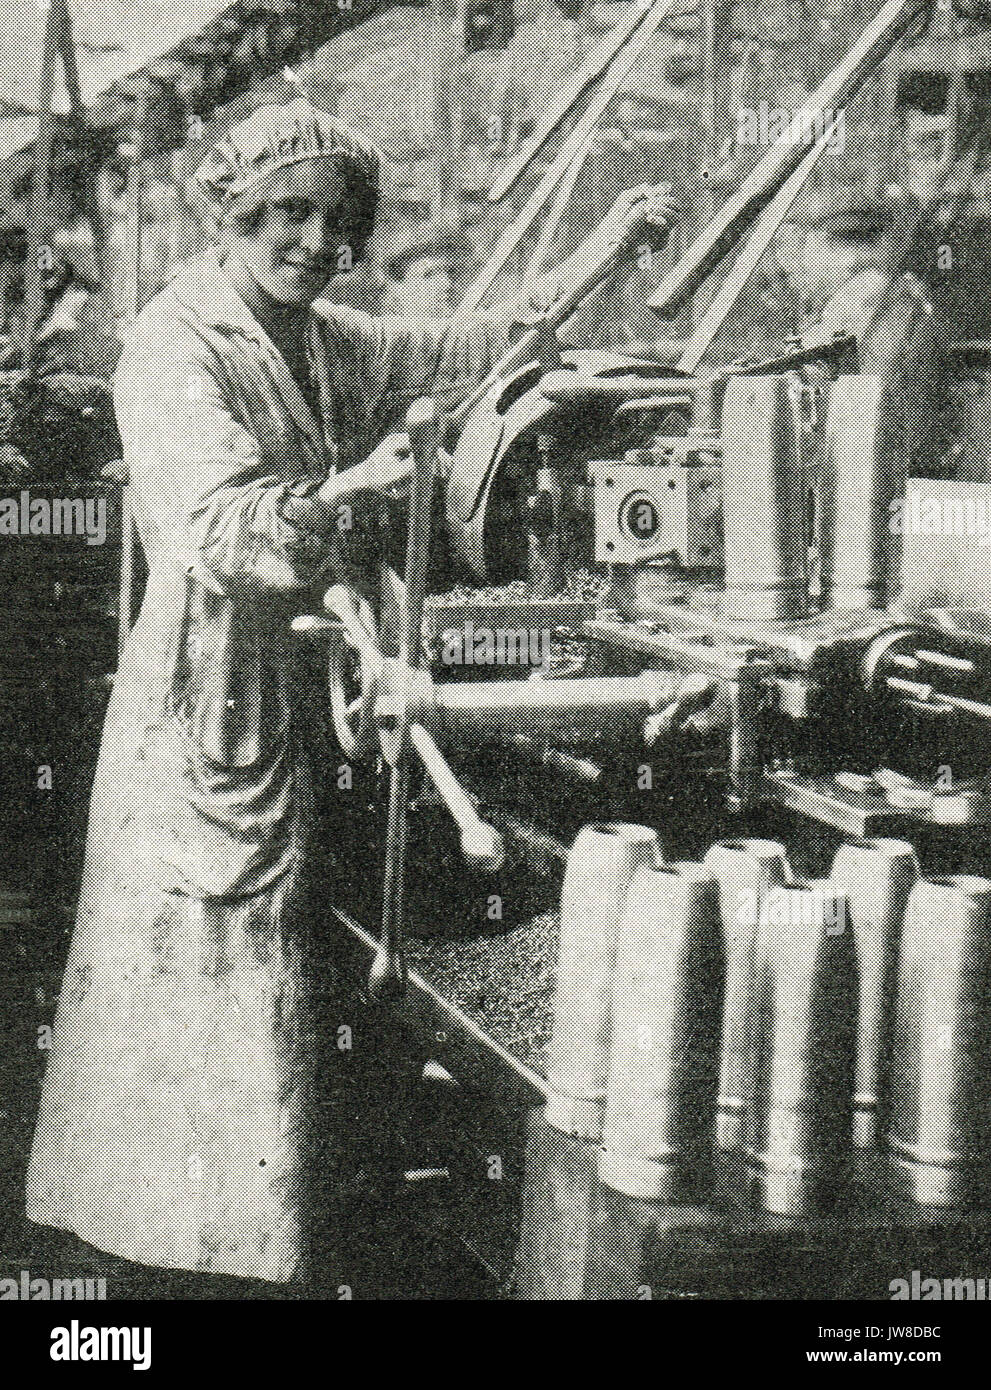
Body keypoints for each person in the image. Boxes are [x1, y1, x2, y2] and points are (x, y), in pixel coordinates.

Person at [24, 96, 676, 1286]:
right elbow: (219, 535)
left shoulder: (328, 340)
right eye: (287, 214)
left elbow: (481, 343)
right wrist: (358, 490)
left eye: (339, 221)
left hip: (297, 679)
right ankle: (170, 1257)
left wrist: (606, 250)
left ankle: (261, 1235)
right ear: (232, 213)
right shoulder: (176, 345)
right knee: (197, 965)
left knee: (272, 982)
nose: (316, 242)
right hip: (207, 691)